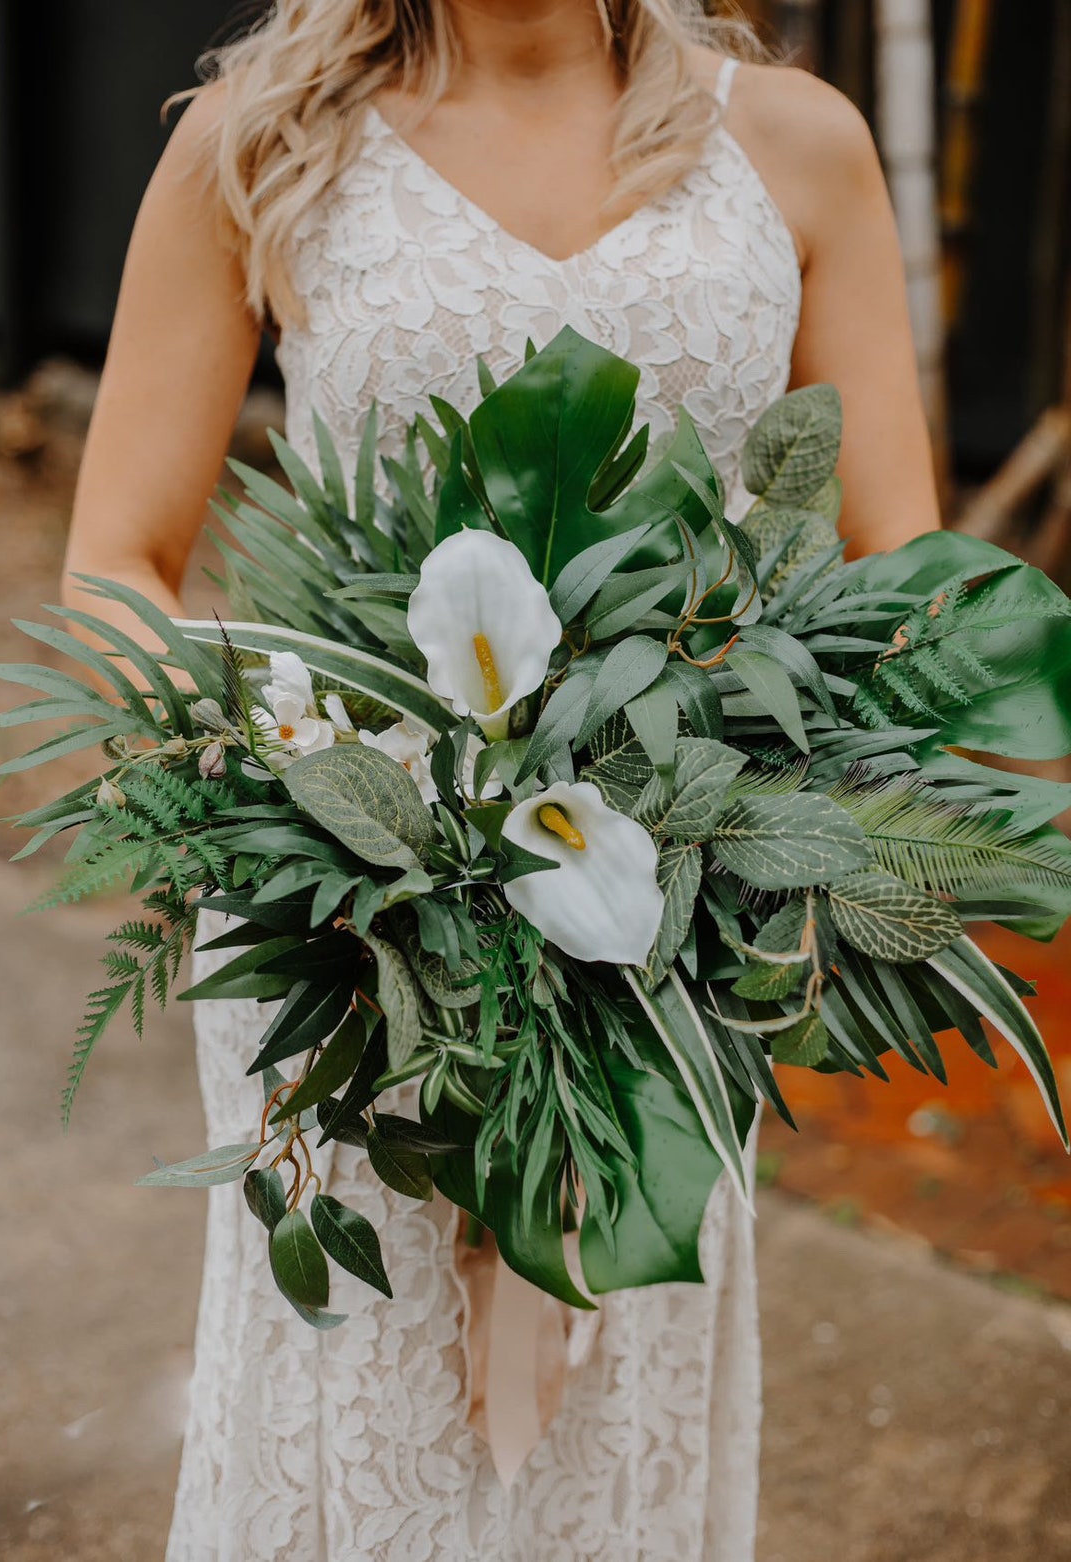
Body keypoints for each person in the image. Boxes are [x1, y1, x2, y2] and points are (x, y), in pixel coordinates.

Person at [62, 2, 940, 1557]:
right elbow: (117, 555)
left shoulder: (800, 149)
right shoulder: (259, 146)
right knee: (366, 1422)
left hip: (668, 938)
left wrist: (804, 842)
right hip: (351, 939)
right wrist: (279, 775)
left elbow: (905, 579)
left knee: (619, 1434)